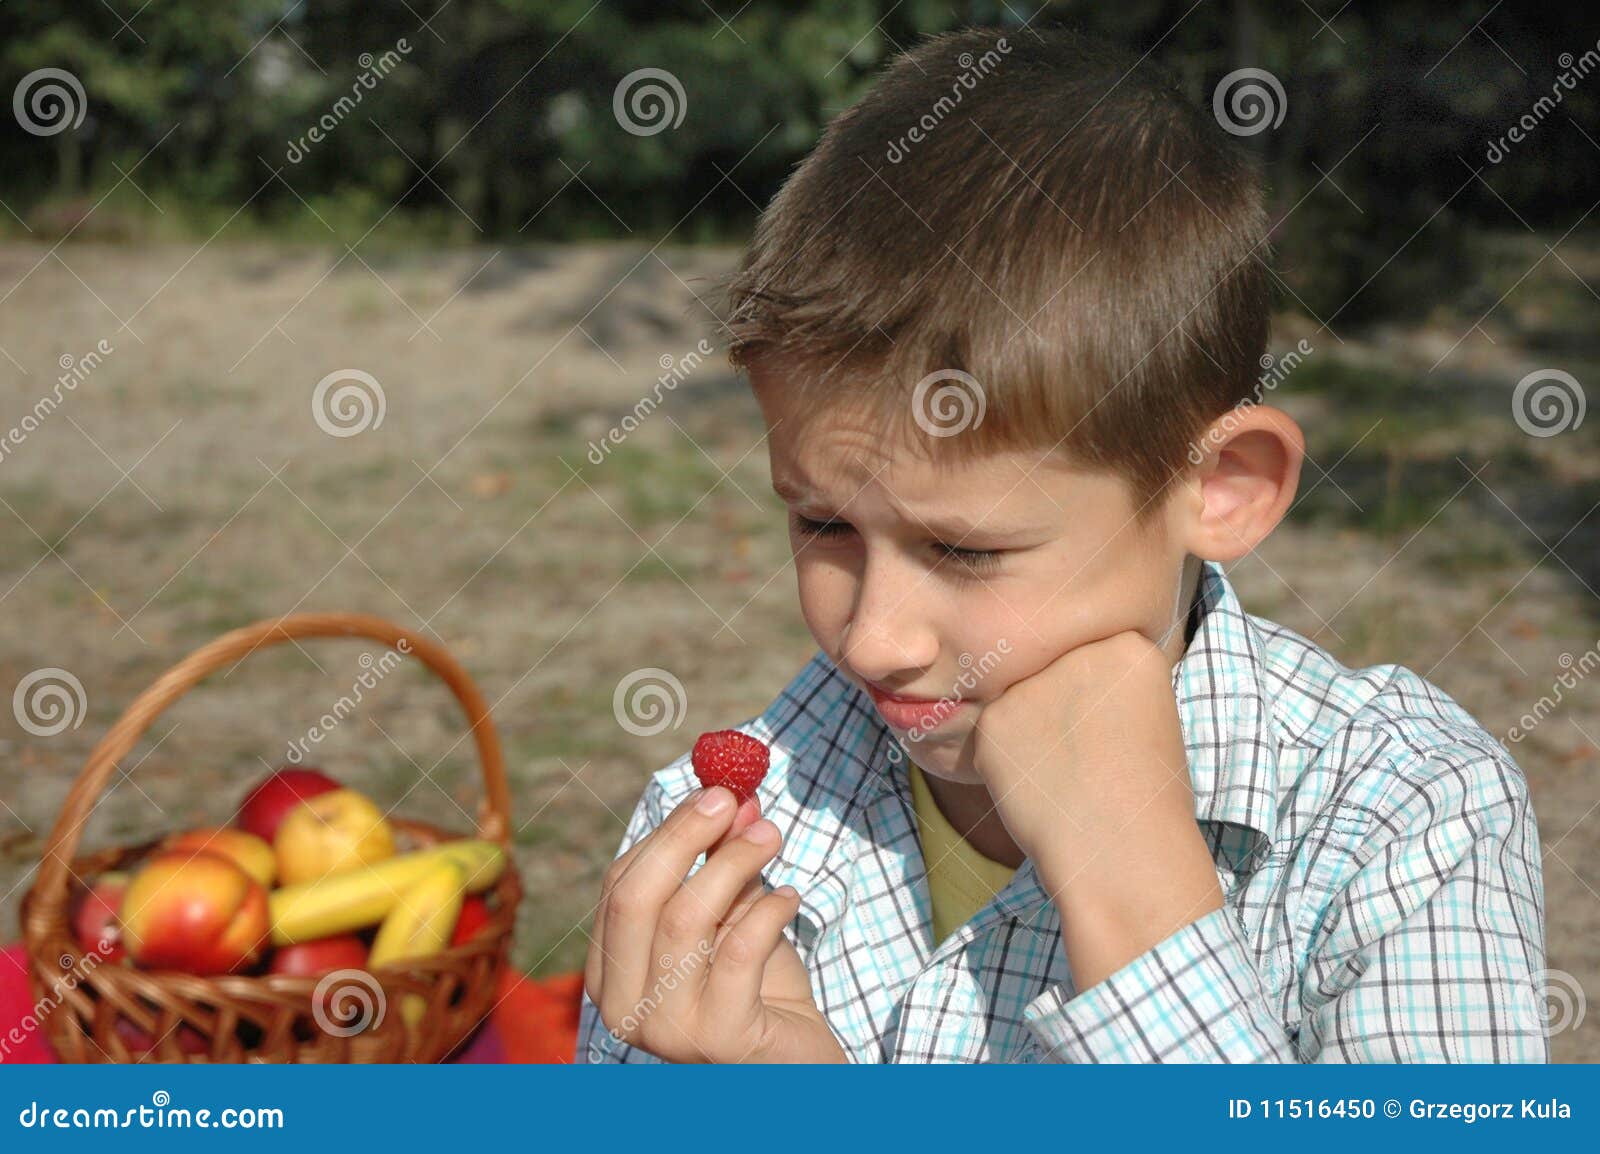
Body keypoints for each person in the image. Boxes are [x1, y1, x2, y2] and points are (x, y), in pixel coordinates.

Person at [576, 24, 1548, 1063]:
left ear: (1221, 487)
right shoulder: (719, 837)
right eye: (823, 523)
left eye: (965, 550)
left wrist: (1136, 899)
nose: (872, 640)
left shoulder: (1406, 817)